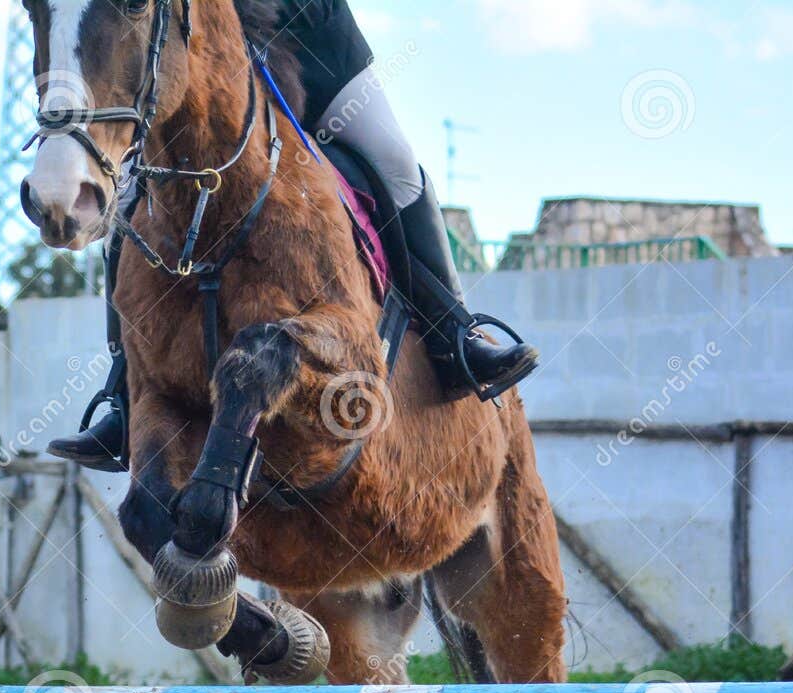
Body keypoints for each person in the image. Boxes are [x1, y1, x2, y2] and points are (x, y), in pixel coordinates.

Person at [49, 0, 537, 470]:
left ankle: (453, 333)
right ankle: (122, 395)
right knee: (134, 191)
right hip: (215, 66)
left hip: (315, 47)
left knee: (397, 167)